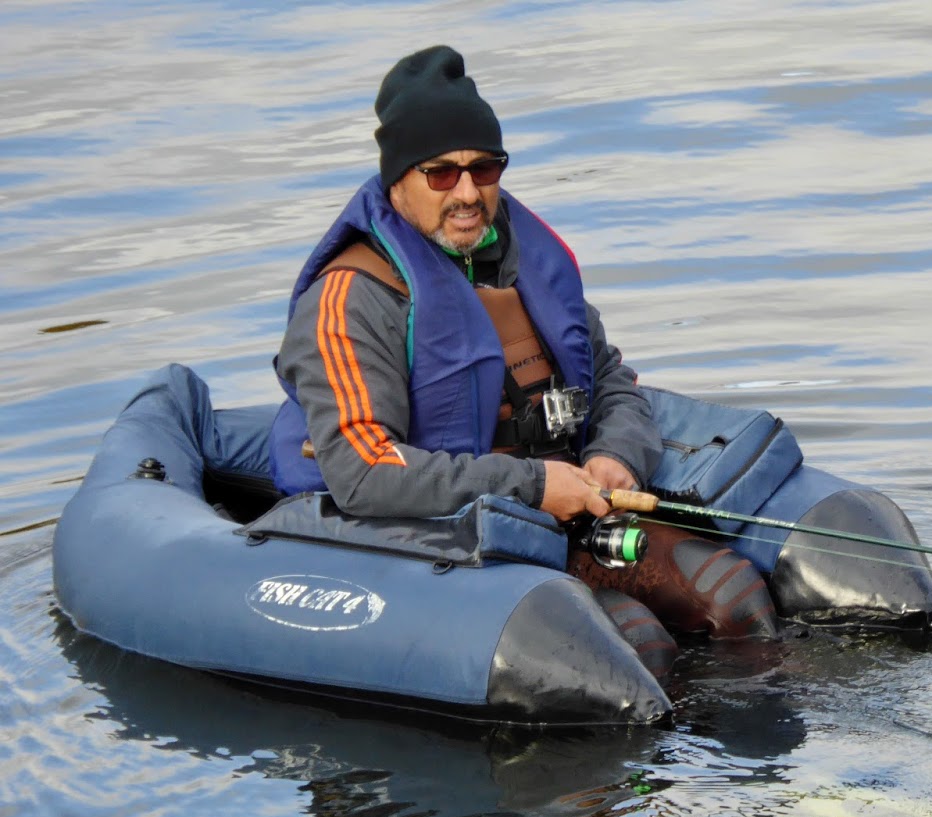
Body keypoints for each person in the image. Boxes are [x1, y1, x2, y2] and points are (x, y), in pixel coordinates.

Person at [269, 46, 777, 665]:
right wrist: (533, 486)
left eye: (484, 169)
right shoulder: (349, 298)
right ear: (397, 179)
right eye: (441, 173)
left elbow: (611, 378)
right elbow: (366, 473)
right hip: (455, 543)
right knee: (638, 648)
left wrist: (615, 456)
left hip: (571, 514)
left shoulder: (524, 259)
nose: (466, 192)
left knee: (737, 597)